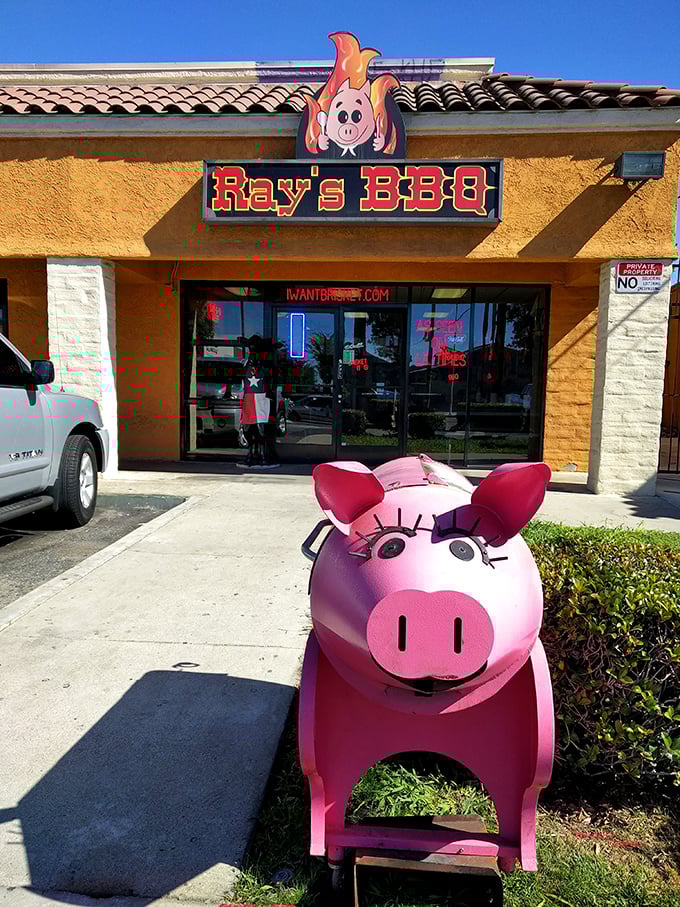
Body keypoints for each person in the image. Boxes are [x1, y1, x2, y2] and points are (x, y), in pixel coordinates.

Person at [239, 335, 281, 469]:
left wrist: (270, 391)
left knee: (261, 427)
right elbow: (242, 380)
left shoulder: (267, 365)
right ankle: (252, 453)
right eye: (251, 349)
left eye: (255, 349)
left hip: (262, 398)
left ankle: (263, 454)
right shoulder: (247, 363)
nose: (253, 352)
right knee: (248, 427)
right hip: (249, 398)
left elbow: (273, 378)